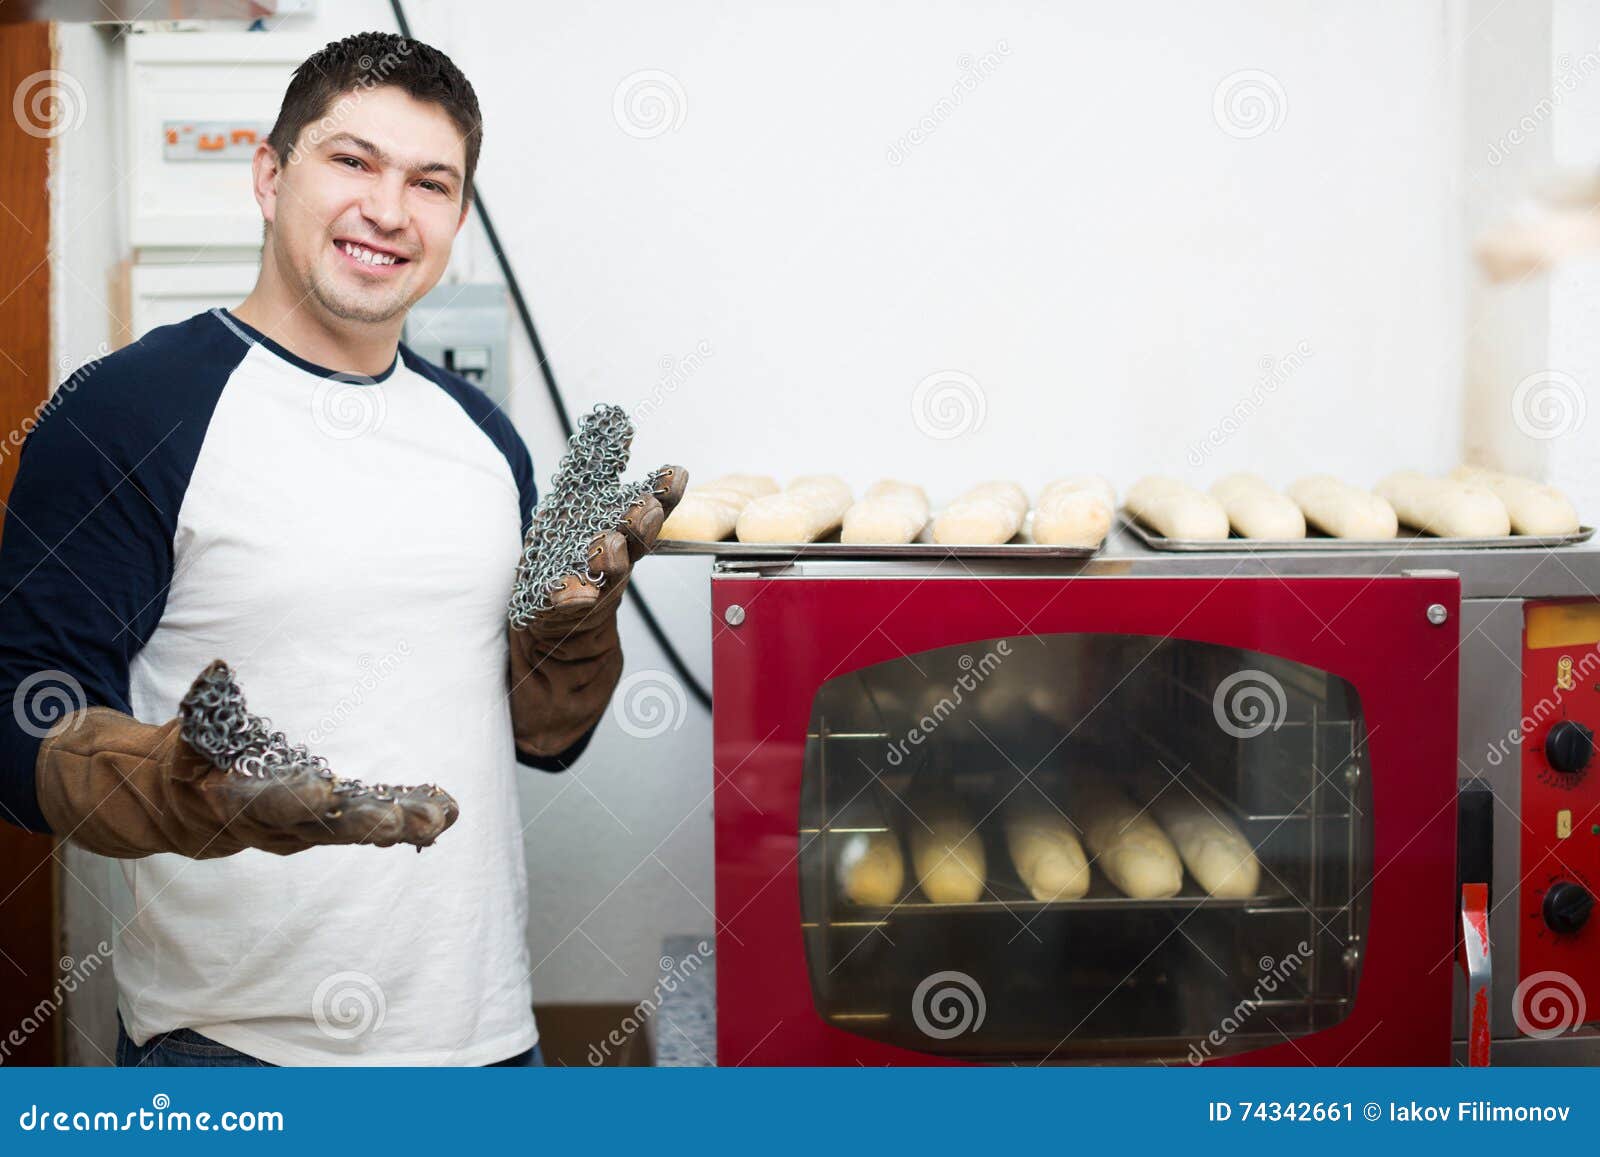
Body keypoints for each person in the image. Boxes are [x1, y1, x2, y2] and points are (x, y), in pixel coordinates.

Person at [0, 30, 684, 1066]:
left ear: (457, 217)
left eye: (430, 182)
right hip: (235, 1052)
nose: (387, 209)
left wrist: (574, 643)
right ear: (271, 175)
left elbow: (538, 741)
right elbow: (19, 723)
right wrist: (182, 783)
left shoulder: (484, 436)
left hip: (490, 1044)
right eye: (351, 160)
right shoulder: (129, 413)